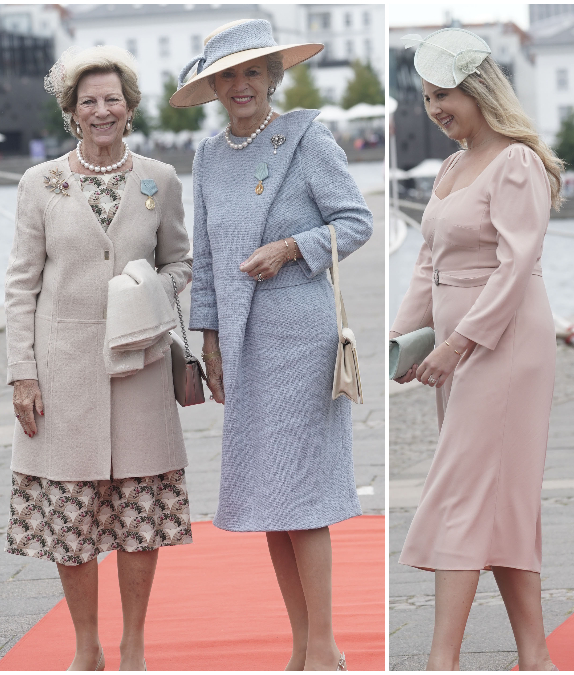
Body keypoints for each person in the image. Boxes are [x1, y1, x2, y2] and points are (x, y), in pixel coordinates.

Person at [171, 19, 372, 670]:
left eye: (251, 72)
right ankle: (305, 643)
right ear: (213, 86)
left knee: (302, 496)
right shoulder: (205, 155)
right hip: (241, 340)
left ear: (272, 77)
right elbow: (203, 256)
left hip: (299, 337)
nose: (239, 85)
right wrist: (209, 341)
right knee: (269, 497)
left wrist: (292, 248)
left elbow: (356, 222)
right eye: (227, 75)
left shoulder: (306, 137)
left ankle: (324, 646)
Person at [6, 45, 194, 671]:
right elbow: (21, 285)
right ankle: (86, 645)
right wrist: (22, 374)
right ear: (71, 111)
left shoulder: (160, 180)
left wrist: (147, 294)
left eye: (112, 98)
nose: (102, 109)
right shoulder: (40, 183)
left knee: (141, 508)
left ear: (130, 107)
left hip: (139, 367)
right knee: (72, 513)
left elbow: (181, 261)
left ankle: (133, 643)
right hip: (65, 374)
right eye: (88, 100)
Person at [391, 28, 564, 671]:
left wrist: (458, 344)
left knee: (465, 493)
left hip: (505, 341)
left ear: (480, 91)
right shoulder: (454, 164)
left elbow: (516, 267)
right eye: (429, 97)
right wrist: (402, 342)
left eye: (446, 96)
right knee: (499, 498)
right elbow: (426, 262)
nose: (436, 109)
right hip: (457, 344)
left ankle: (442, 661)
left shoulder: (515, 161)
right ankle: (535, 656)